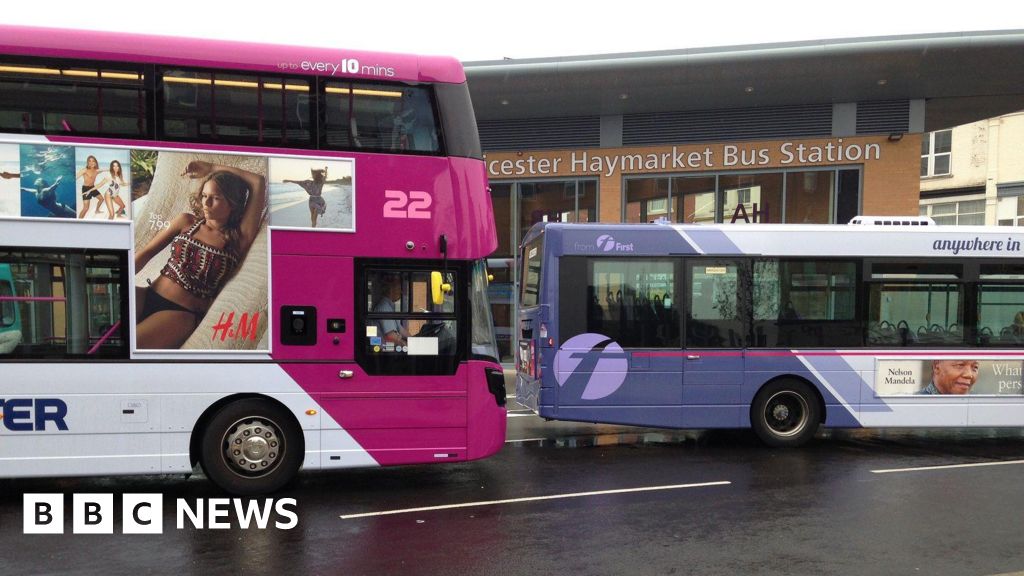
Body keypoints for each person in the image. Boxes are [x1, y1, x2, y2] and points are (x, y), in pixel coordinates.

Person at [133, 160, 266, 349]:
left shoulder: (238, 238)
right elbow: (146, 253)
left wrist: (211, 169)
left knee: (129, 346)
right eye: (204, 195)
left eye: (216, 198)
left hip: (179, 314)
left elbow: (258, 182)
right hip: (148, 294)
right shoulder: (186, 221)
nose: (206, 202)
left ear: (233, 205)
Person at [373, 273, 409, 346]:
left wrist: (413, 340)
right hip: (383, 350)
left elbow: (401, 330)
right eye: (399, 289)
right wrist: (407, 346)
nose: (401, 292)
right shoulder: (384, 307)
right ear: (391, 289)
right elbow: (391, 336)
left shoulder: (389, 306)